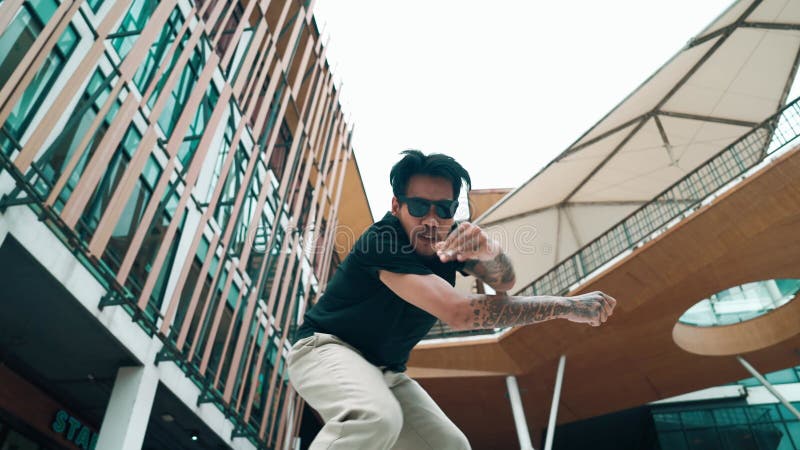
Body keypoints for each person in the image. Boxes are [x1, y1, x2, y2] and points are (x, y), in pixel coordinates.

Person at [287, 150, 616, 450]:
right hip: (323, 348)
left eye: (444, 209)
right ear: (396, 206)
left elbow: (505, 281)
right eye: (419, 207)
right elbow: (459, 313)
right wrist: (566, 306)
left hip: (385, 372)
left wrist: (490, 251)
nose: (432, 221)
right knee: (375, 417)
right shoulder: (383, 240)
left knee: (450, 446)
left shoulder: (450, 241)